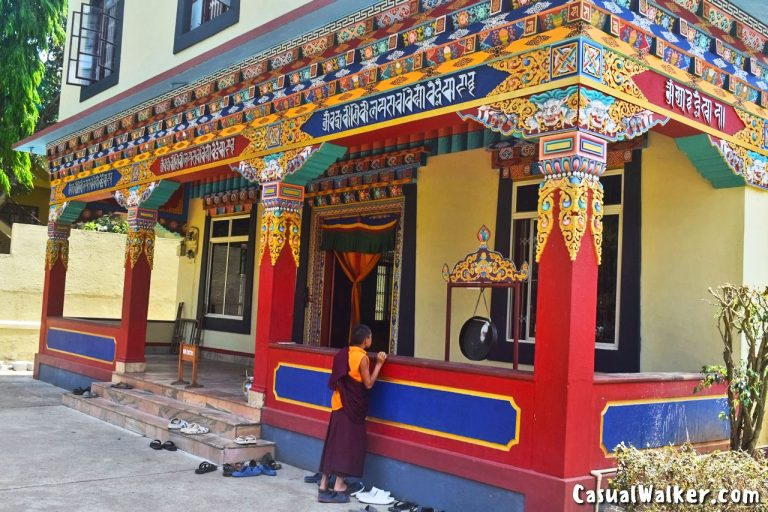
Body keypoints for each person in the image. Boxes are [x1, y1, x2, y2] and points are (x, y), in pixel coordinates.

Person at [317, 324, 387, 504]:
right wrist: (379, 364)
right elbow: (368, 384)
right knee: (347, 445)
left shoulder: (342, 353)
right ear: (365, 341)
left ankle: (323, 485)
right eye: (370, 337)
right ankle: (339, 486)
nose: (371, 340)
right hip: (352, 408)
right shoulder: (362, 358)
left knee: (333, 442)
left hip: (338, 403)